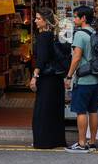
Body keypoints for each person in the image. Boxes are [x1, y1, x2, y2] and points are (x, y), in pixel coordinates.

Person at [64, 4, 98, 152]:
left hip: (84, 79)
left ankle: (81, 143)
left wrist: (69, 76)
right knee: (93, 110)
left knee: (81, 111)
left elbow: (76, 58)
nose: (74, 19)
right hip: (96, 79)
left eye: (76, 16)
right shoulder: (94, 33)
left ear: (83, 18)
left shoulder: (80, 35)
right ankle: (92, 142)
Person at [30, 9, 70, 149]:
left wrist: (35, 76)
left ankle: (43, 141)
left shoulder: (42, 37)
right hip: (56, 78)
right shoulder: (55, 36)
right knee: (54, 110)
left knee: (43, 109)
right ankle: (56, 140)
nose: (35, 21)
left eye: (38, 18)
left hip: (46, 78)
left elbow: (41, 59)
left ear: (45, 21)